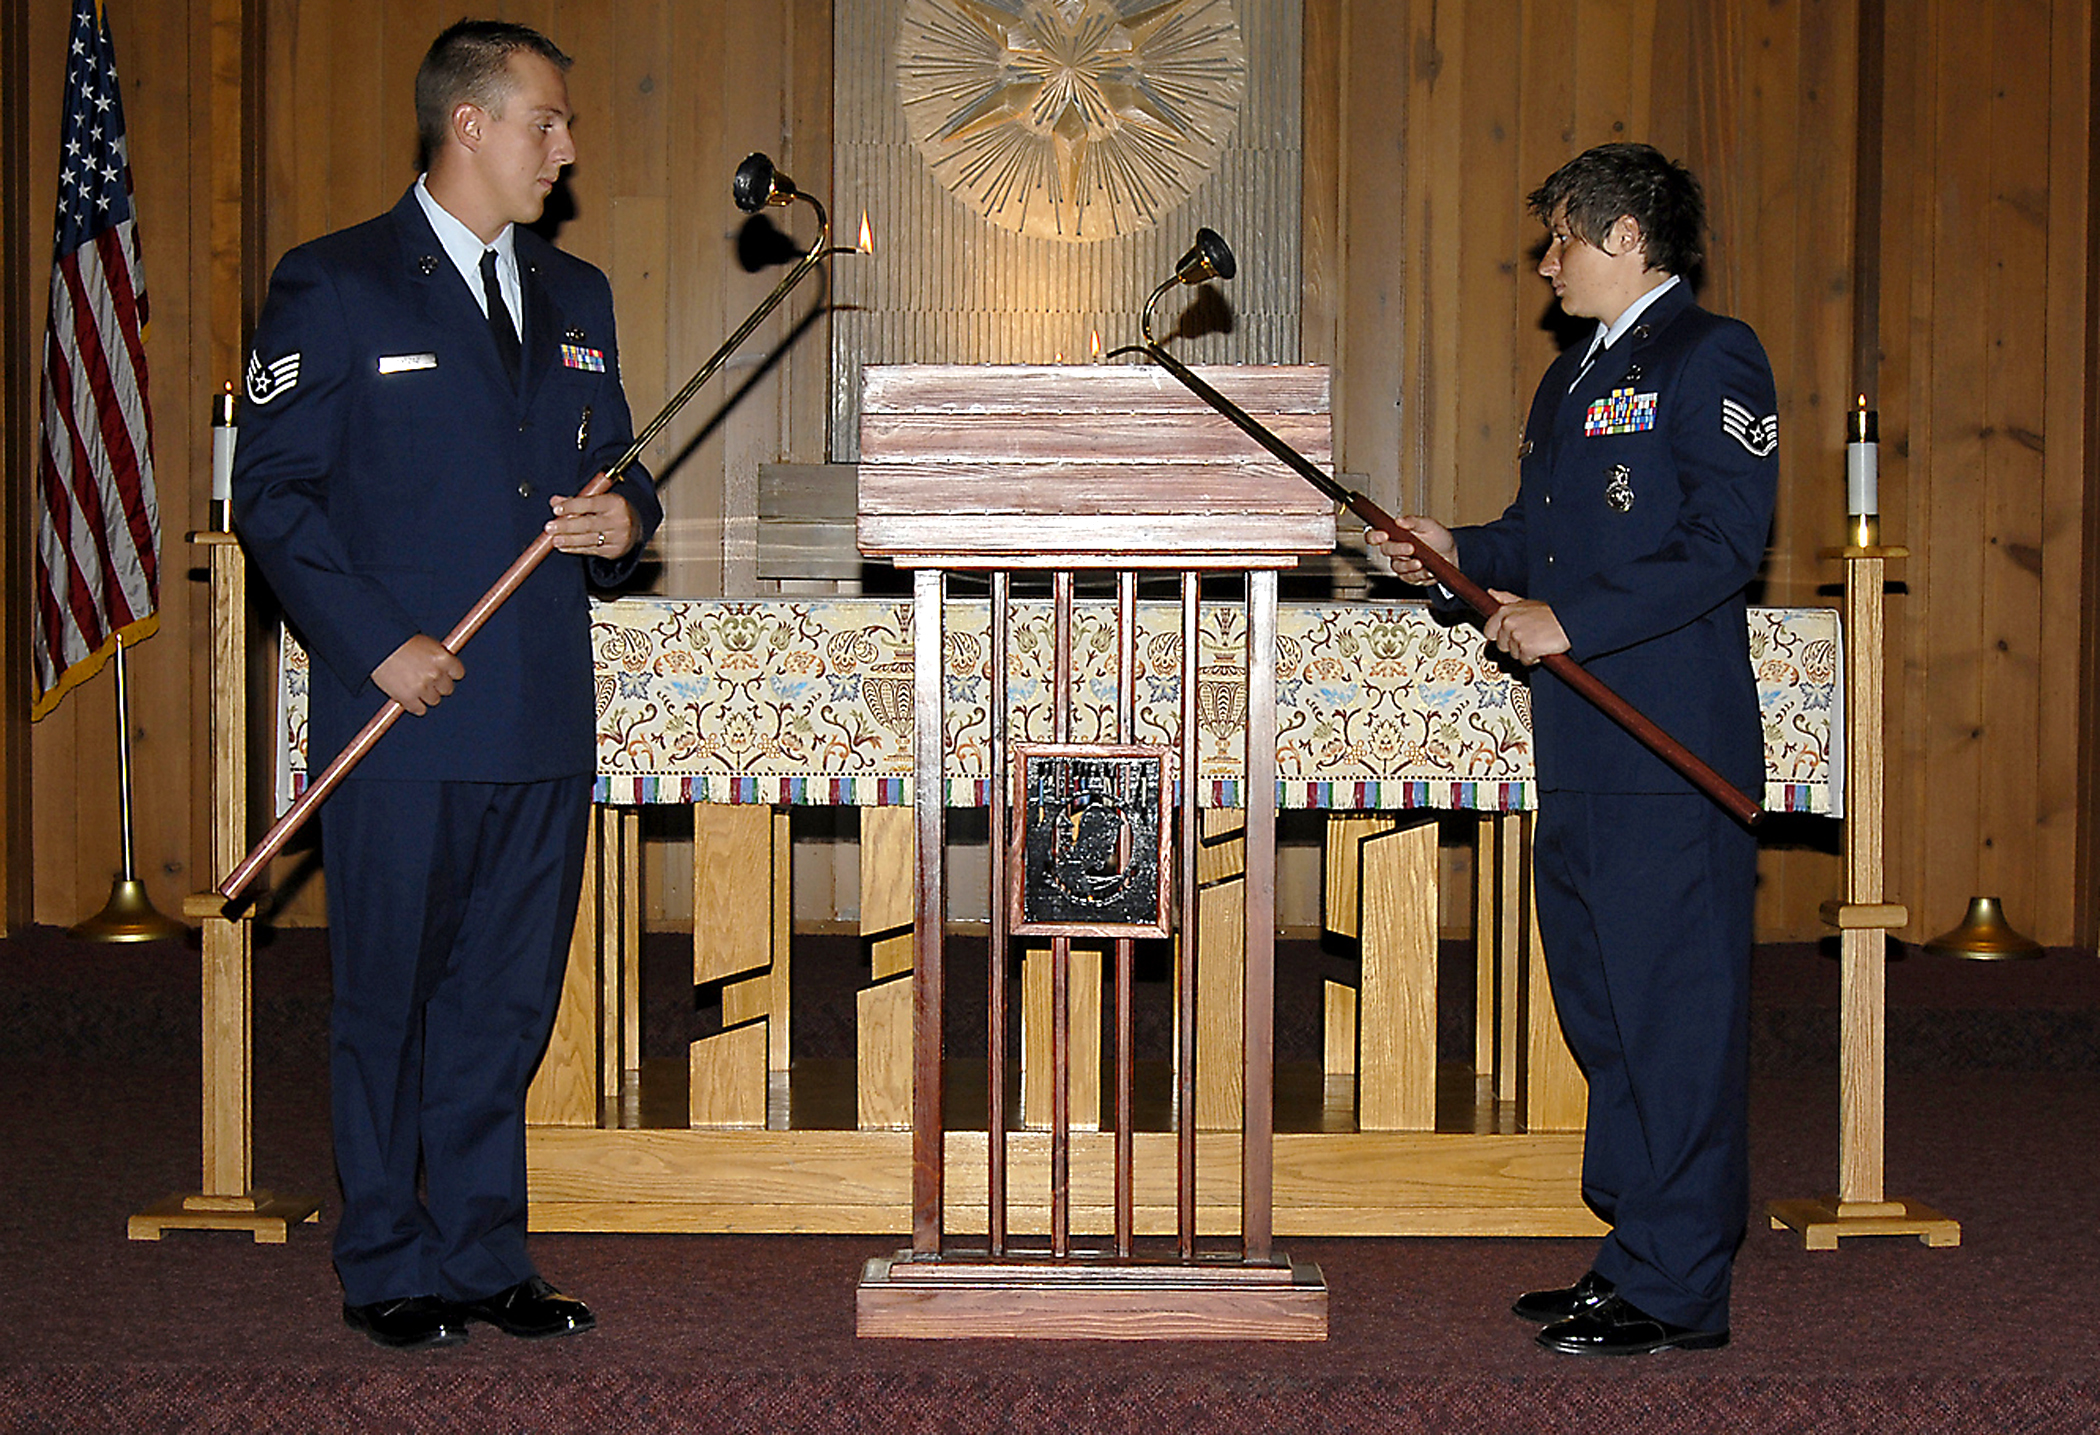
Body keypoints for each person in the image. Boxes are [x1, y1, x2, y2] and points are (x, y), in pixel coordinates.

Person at [234, 20, 662, 1351]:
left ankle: (485, 1254)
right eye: (548, 121)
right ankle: (386, 1259)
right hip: (401, 717)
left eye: (569, 124)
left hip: (538, 708)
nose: (568, 147)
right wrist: (378, 641)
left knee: (503, 1001)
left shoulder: (578, 292)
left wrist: (626, 522)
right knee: (388, 999)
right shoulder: (338, 283)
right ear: (468, 123)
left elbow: (620, 460)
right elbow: (275, 494)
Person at [1371, 143, 1777, 1357]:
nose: (1546, 264)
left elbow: (1723, 540)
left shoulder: (1713, 355)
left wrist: (1576, 622)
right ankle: (1637, 1256)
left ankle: (1682, 1289)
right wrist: (1460, 554)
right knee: (1607, 1013)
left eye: (1560, 240)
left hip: (1668, 742)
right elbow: (1547, 549)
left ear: (1626, 240)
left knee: (1677, 1019)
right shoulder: (1571, 380)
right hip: (1584, 745)